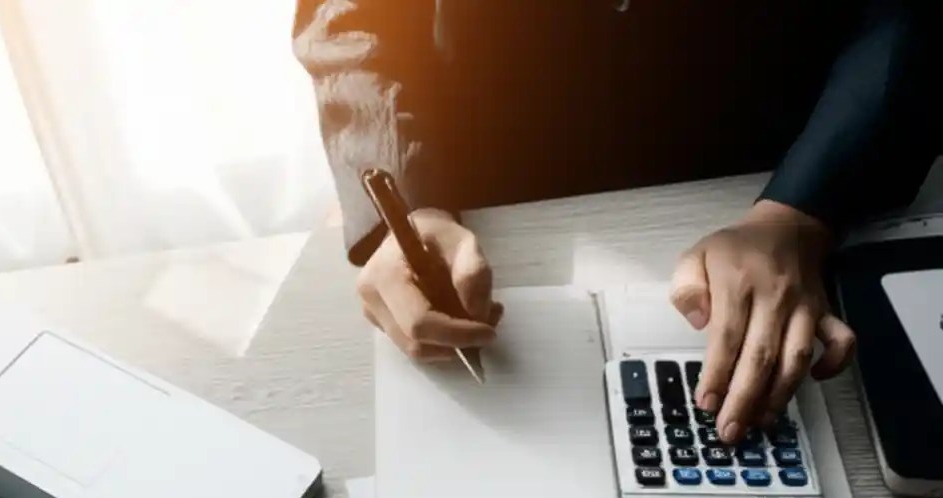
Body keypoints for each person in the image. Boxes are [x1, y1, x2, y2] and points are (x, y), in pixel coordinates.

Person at [293, 0, 939, 444]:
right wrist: (409, 199)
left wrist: (799, 211)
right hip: (487, 174)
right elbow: (354, 18)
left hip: (764, 156)